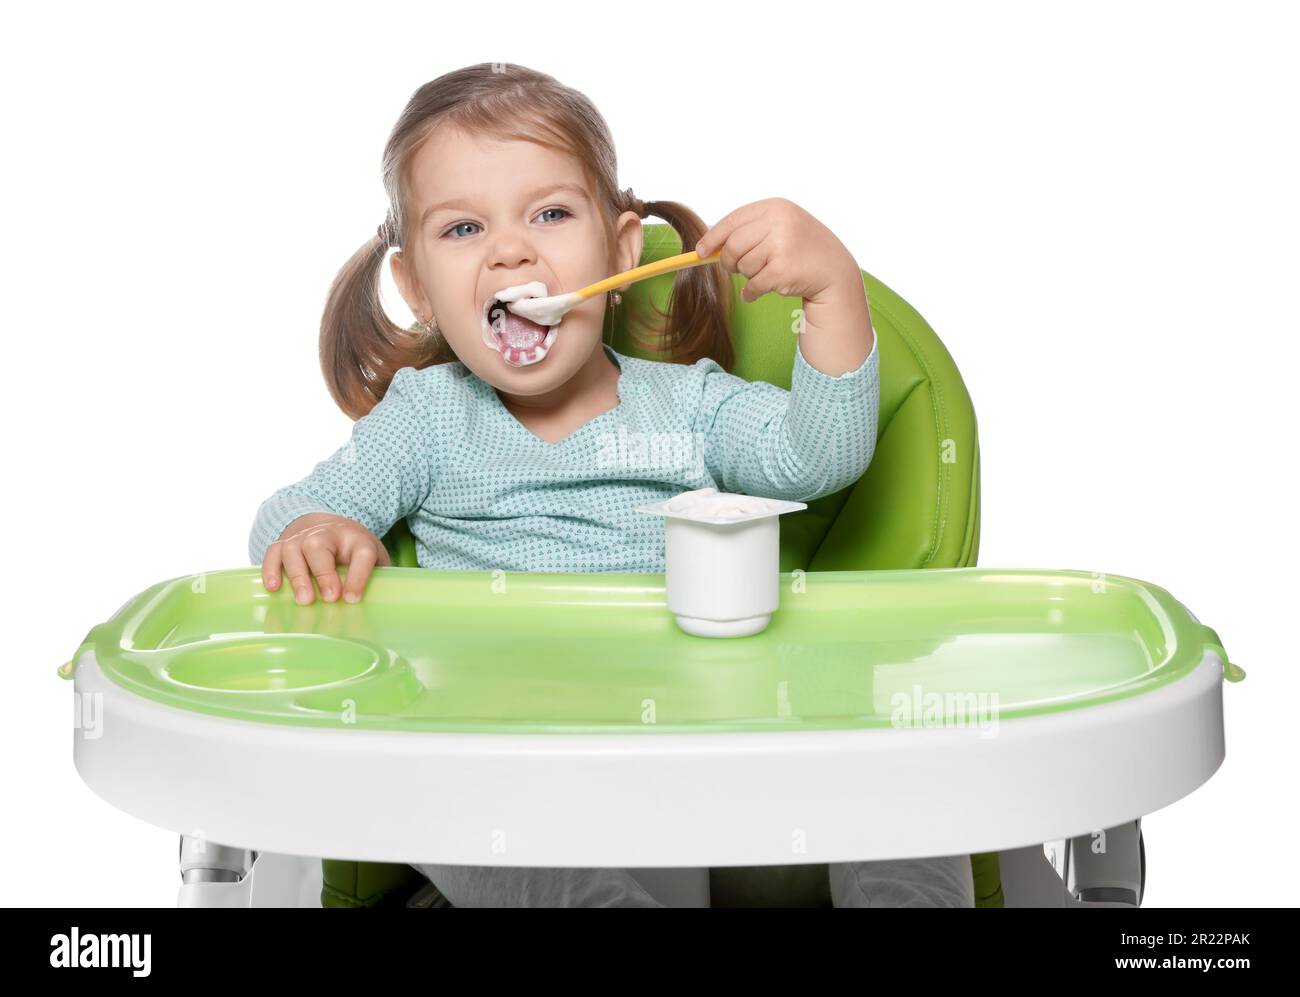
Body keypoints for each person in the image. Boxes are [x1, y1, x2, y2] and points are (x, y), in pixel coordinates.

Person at [248, 62, 971, 909]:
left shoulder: (689, 404)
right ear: (416, 287)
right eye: (463, 229)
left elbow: (817, 459)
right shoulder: (428, 417)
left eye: (551, 214)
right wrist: (318, 531)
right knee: (435, 798)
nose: (512, 249)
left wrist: (831, 290)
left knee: (903, 776)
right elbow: (287, 519)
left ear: (620, 250)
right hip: (501, 756)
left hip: (697, 742)